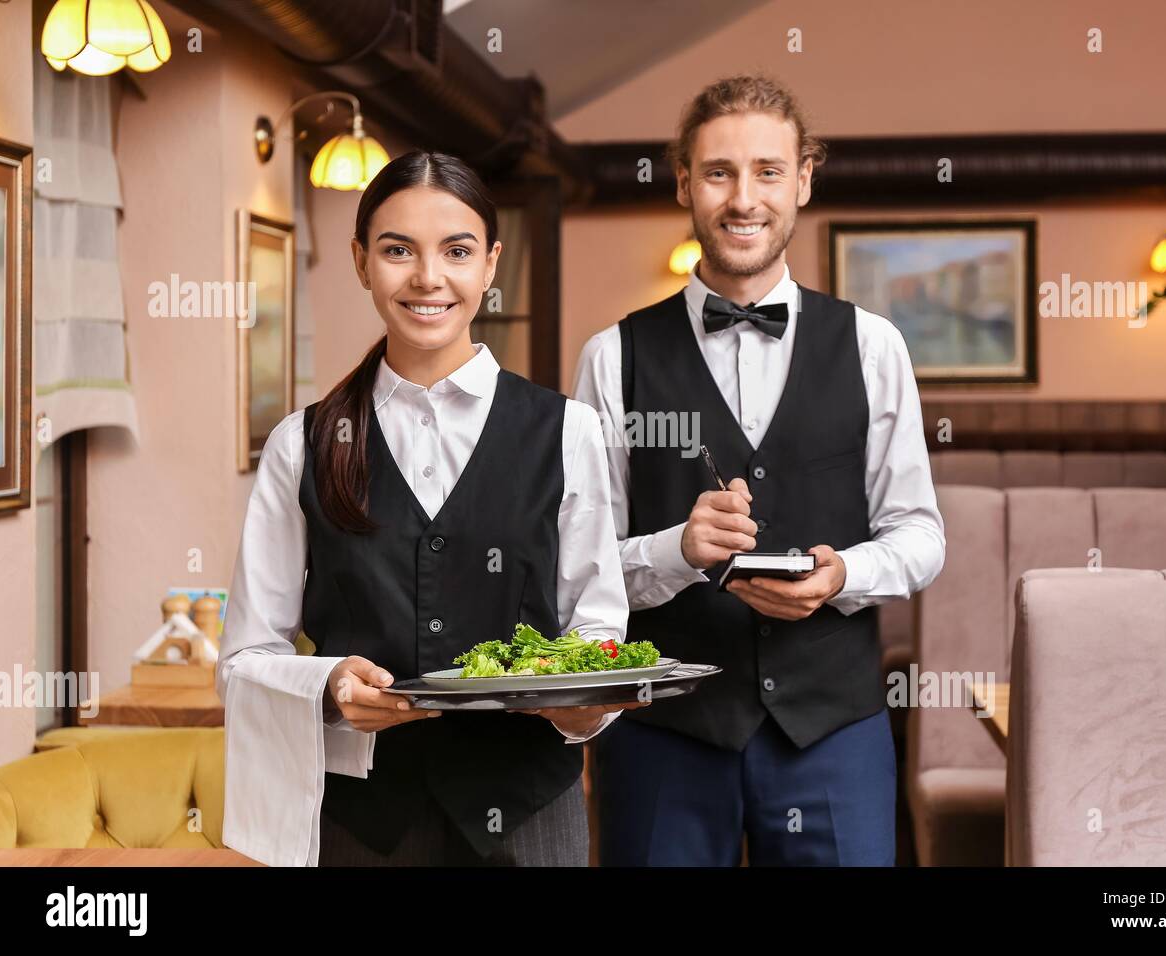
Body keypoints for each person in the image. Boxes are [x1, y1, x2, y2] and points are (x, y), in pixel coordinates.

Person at [218, 150, 635, 866]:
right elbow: (244, 659)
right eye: (397, 250)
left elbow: (596, 621)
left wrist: (582, 706)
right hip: (363, 820)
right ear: (360, 261)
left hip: (528, 812)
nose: (428, 278)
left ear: (491, 265)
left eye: (457, 251)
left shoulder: (569, 431)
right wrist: (329, 684)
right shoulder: (303, 442)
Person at [572, 74, 946, 866]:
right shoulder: (613, 358)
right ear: (684, 183)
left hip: (833, 734)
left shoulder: (873, 346)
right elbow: (582, 572)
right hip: (662, 731)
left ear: (803, 180)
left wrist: (843, 574)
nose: (744, 198)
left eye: (768, 172)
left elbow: (919, 535)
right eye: (719, 172)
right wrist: (675, 548)